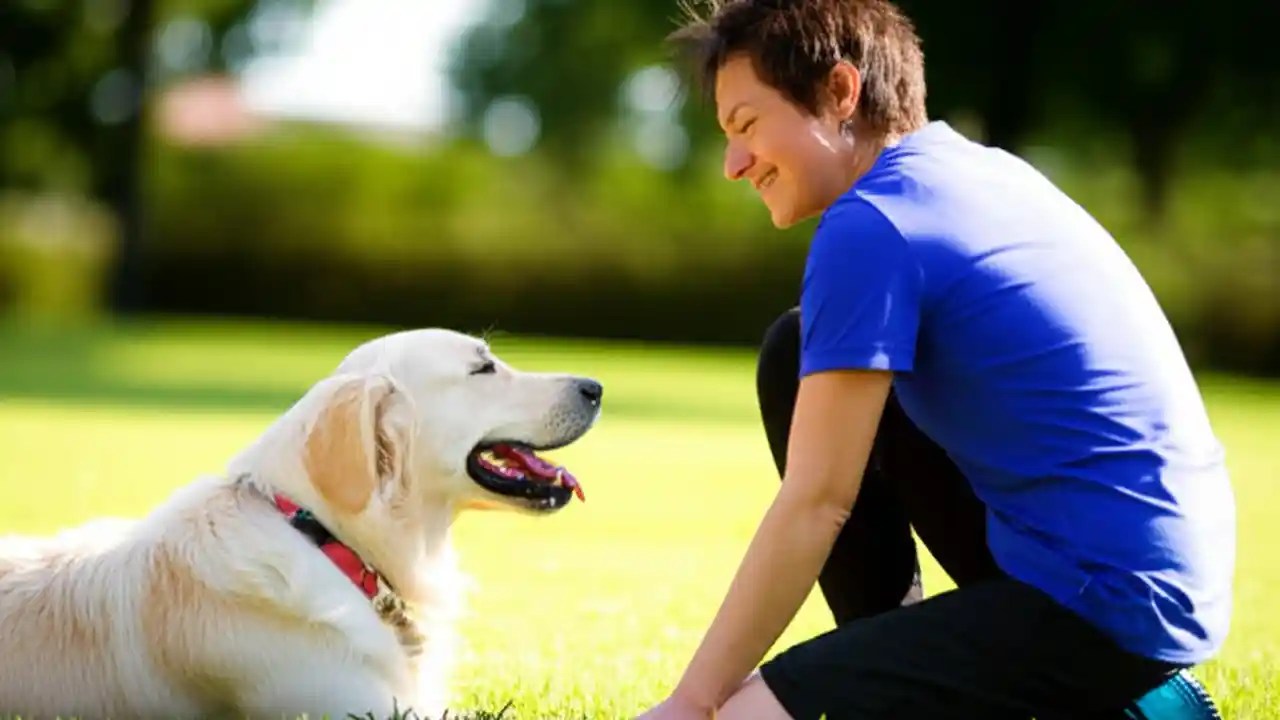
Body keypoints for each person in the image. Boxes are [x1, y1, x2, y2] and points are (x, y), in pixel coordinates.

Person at [636, 1, 1237, 718]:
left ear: (840, 92)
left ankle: (1128, 700)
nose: (734, 163)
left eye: (746, 126)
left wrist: (691, 703)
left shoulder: (872, 224)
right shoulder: (979, 171)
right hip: (1163, 578)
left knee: (745, 718)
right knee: (796, 353)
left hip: (1106, 599)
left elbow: (815, 504)